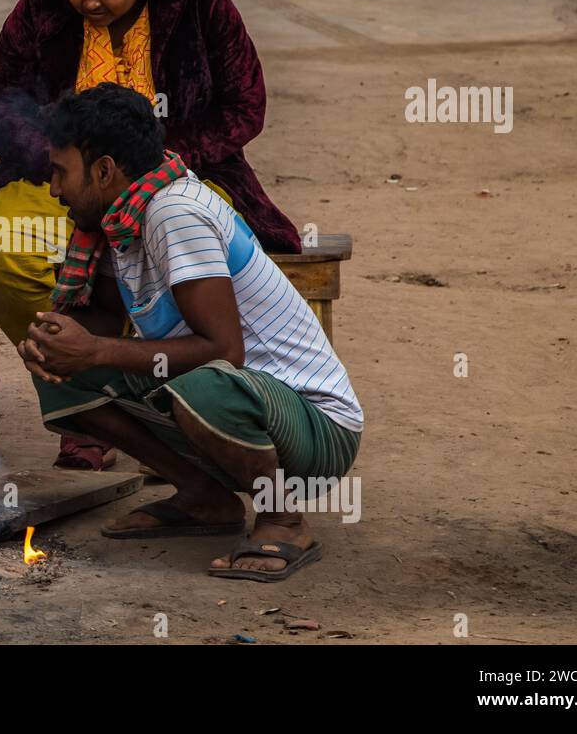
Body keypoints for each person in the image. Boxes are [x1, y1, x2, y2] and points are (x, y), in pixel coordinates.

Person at [0, 0, 300, 471]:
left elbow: (245, 107)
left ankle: (158, 409)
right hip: (60, 179)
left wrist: (159, 163)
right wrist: (50, 156)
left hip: (178, 176)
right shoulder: (41, 3)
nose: (86, 3)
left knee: (174, 258)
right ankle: (84, 393)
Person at [20, 84, 362, 581]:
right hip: (246, 402)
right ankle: (204, 499)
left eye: (59, 172)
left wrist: (93, 348)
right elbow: (97, 331)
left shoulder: (174, 212)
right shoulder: (120, 218)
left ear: (103, 170)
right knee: (65, 368)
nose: (53, 188)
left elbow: (225, 352)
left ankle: (282, 520)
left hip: (319, 429)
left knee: (205, 382)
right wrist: (60, 343)